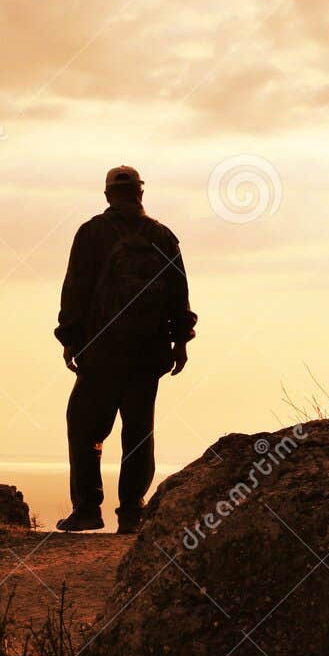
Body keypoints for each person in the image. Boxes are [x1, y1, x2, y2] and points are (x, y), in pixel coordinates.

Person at [55, 164, 196, 534]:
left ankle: (87, 509)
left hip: (101, 353)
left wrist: (69, 338)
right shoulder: (163, 237)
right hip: (147, 355)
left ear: (107, 196)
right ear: (140, 193)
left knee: (86, 428)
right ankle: (131, 514)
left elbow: (76, 288)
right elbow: (179, 294)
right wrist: (180, 341)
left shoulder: (91, 233)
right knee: (138, 432)